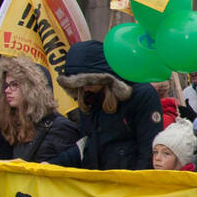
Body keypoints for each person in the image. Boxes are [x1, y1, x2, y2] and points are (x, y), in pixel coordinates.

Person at [53, 40, 163, 170]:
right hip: (97, 185)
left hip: (128, 185)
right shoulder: (89, 100)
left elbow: (149, 151)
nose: (84, 88)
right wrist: (52, 165)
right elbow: (85, 146)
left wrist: (135, 187)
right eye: (79, 85)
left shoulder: (141, 95)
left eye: (88, 83)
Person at [0, 57, 80, 162]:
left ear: (32, 88)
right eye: (6, 85)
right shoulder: (16, 125)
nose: (7, 90)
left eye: (14, 84)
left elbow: (73, 171)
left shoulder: (61, 126)